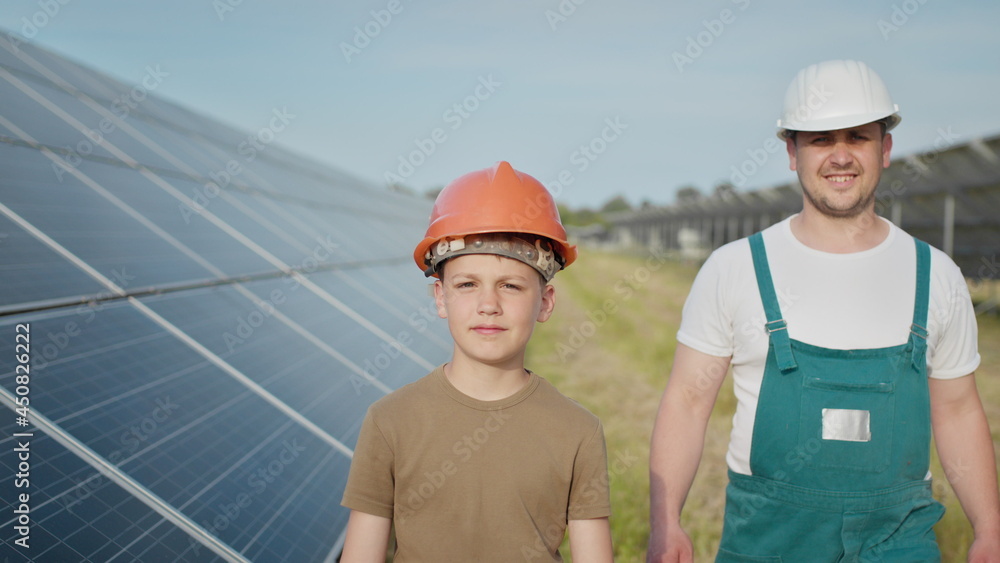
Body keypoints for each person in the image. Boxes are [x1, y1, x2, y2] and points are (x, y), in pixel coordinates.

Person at [647, 60, 1000, 562]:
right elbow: (686, 400)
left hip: (898, 541)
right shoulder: (736, 268)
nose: (840, 156)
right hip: (767, 541)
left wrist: (989, 528)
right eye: (819, 139)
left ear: (886, 148)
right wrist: (666, 523)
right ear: (792, 152)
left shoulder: (936, 275)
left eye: (858, 137)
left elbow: (958, 409)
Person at [340, 161, 615, 562]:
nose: (489, 305)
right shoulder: (389, 422)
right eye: (467, 284)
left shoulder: (578, 432)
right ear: (441, 298)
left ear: (545, 302)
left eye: (511, 286)